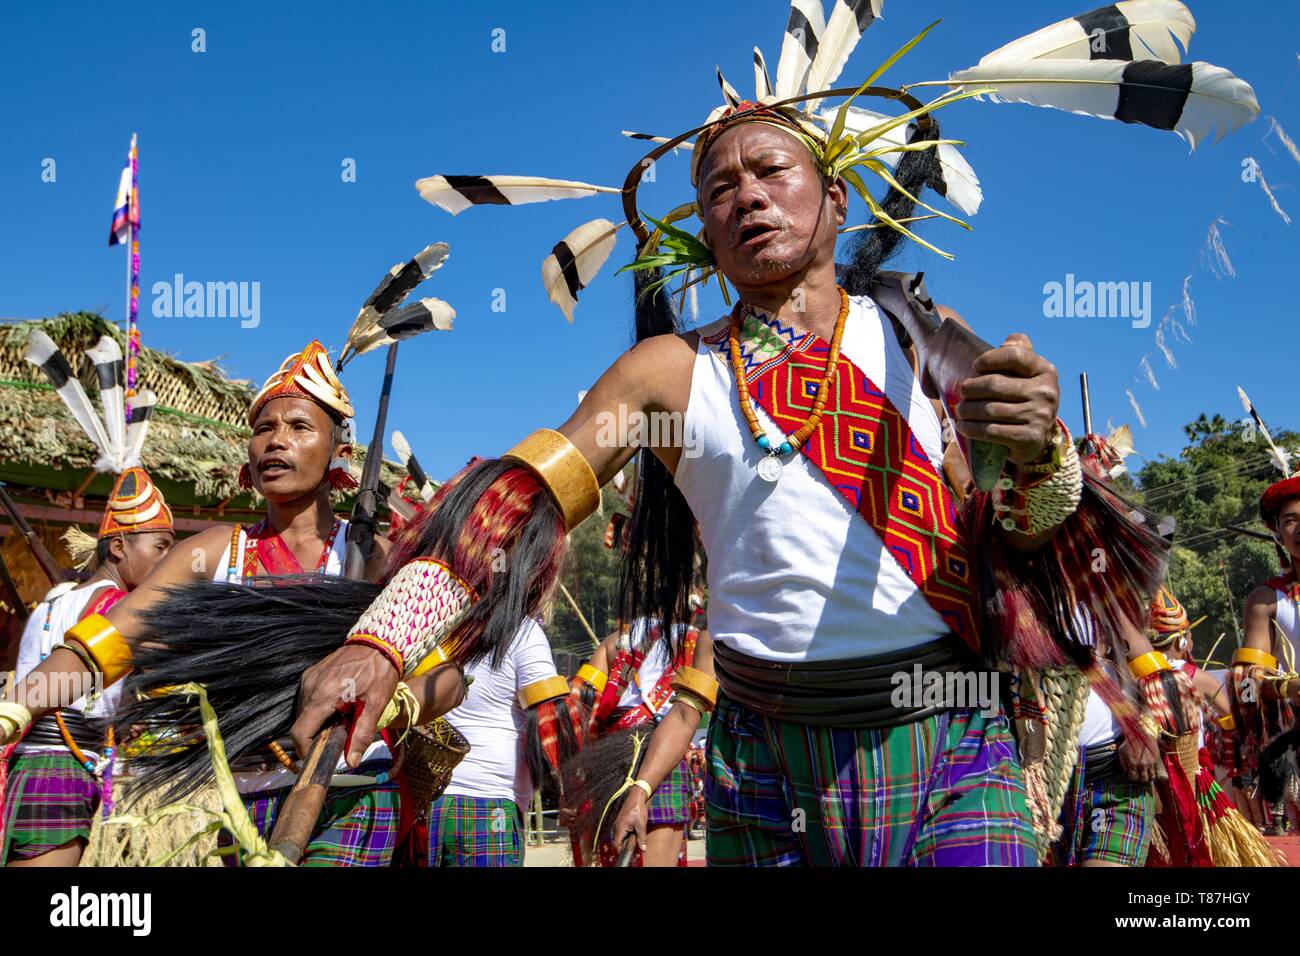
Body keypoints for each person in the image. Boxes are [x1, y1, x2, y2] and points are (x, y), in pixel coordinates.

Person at [3, 3, 1257, 869]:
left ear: (831, 196)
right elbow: (514, 512)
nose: (745, 195)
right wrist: (383, 646)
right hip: (764, 751)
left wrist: (1034, 457)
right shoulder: (671, 367)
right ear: (697, 230)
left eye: (771, 173)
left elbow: (1035, 534)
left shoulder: (923, 333)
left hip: (952, 735)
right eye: (719, 188)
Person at [2, 468, 174, 866]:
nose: (170, 560)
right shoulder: (117, 607)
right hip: (60, 764)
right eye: (161, 547)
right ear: (118, 547)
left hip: (27, 758)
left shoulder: (53, 601)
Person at [427, 616, 580, 867]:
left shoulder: (435, 622)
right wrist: (569, 791)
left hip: (423, 799)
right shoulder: (522, 629)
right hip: (488, 803)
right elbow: (549, 716)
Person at [574, 614, 706, 866]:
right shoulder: (697, 642)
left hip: (608, 763)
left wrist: (577, 781)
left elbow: (582, 707)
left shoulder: (614, 643)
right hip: (664, 756)